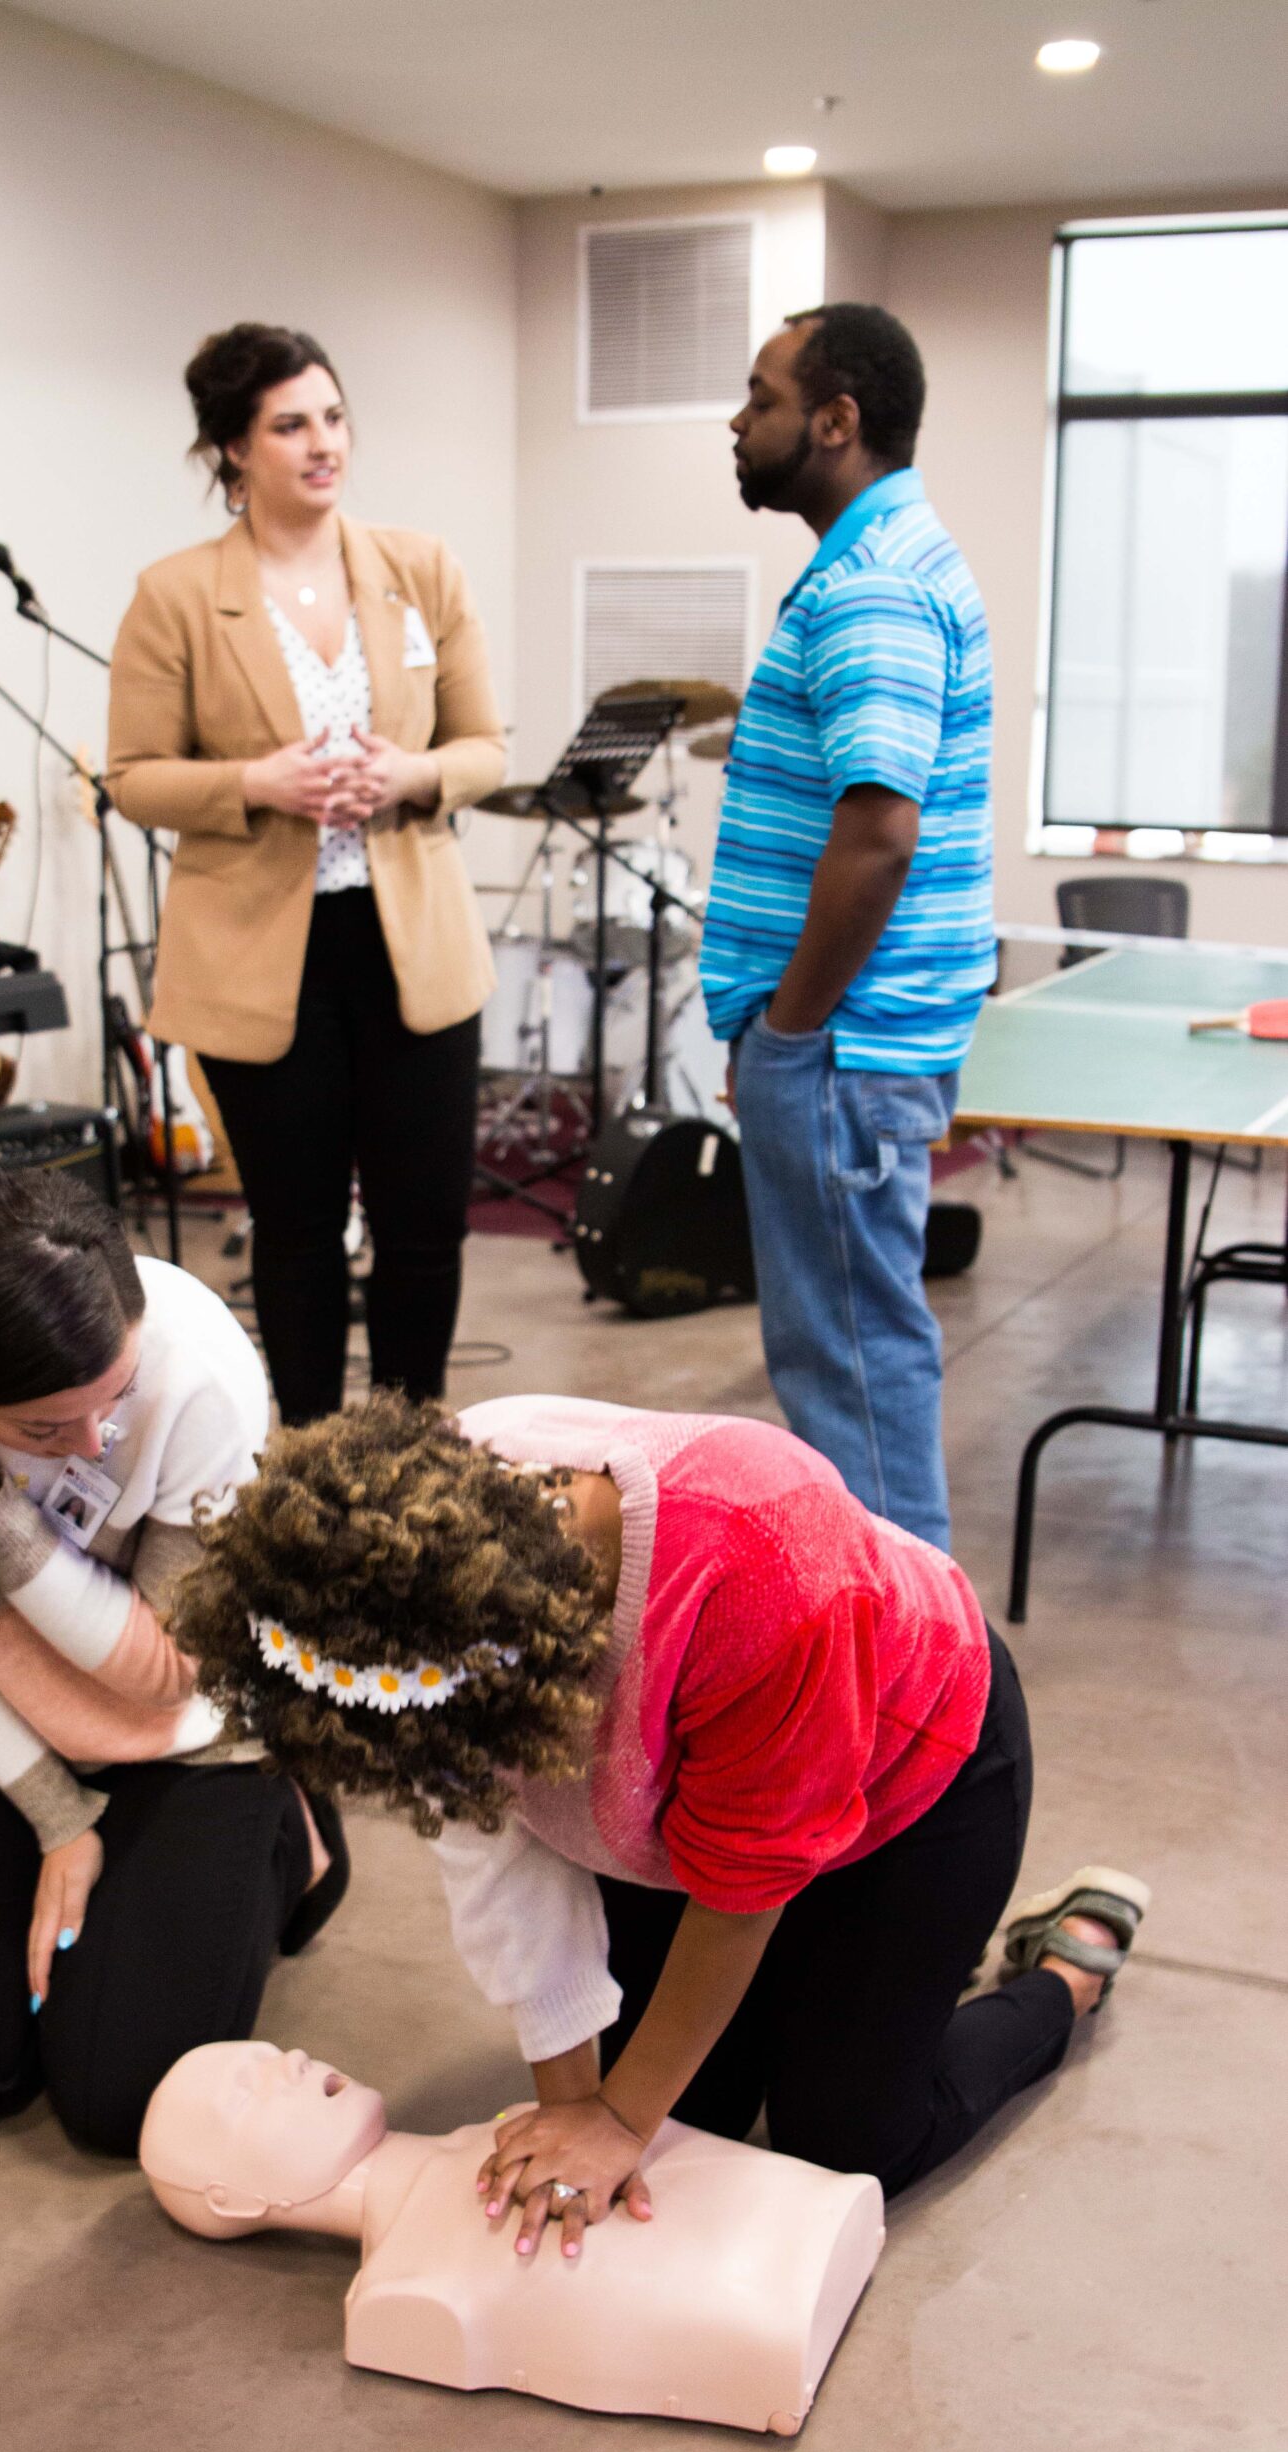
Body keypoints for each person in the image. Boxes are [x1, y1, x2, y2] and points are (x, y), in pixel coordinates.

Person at [170, 1391, 1149, 2240]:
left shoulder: (763, 1562)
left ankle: (1066, 1967)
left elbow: (739, 1897)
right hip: (665, 1808)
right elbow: (497, 1855)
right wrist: (577, 2108)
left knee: (848, 2140)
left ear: (508, 1657)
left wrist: (621, 2123)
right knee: (705, 2115)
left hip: (915, 1767)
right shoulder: (418, 1564)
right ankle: (877, 1983)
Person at [0, 1168, 348, 2159]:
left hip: (196, 1716)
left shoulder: (203, 1365)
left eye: (115, 1398)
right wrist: (58, 1815)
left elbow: (169, 1669)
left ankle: (290, 1827)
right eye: (45, 1428)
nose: (93, 1439)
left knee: (120, 2102)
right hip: (14, 1696)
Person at [107, 322, 507, 1425]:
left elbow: (487, 748)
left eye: (333, 418)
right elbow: (134, 776)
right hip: (260, 958)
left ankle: (415, 1458)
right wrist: (257, 783)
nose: (324, 444)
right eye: (291, 425)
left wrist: (414, 771)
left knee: (427, 1227)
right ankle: (315, 1466)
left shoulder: (421, 569)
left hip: (410, 942)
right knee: (297, 1230)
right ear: (231, 448)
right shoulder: (176, 594)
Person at [700, 302, 997, 1552]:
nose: (737, 419)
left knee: (854, 1384)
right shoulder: (882, 563)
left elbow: (879, 835)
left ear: (837, 420)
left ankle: (906, 1713)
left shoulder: (872, 584)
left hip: (838, 1050)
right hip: (848, 1047)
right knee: (853, 1364)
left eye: (761, 397)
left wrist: (787, 1029)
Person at [140, 2038, 885, 2435]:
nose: (293, 2061)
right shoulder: (398, 2297)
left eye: (273, 2052)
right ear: (228, 2199)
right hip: (775, 2326)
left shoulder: (505, 2123)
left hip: (818, 2218)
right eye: (251, 2088)